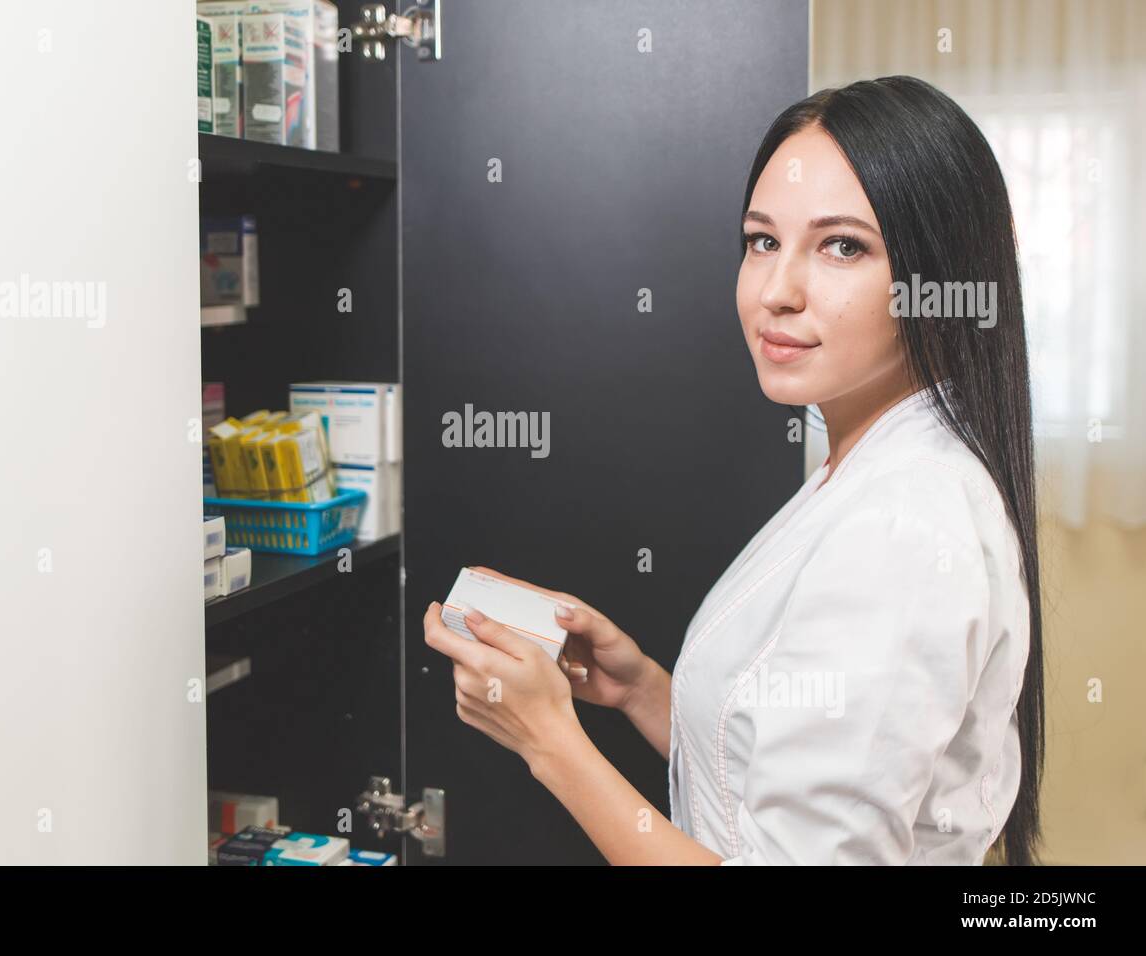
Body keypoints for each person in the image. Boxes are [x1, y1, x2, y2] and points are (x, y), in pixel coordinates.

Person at [422, 75, 1043, 865]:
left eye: (842, 246)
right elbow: (778, 767)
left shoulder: (902, 530)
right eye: (762, 241)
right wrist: (644, 688)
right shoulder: (862, 460)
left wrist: (550, 743)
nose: (776, 292)